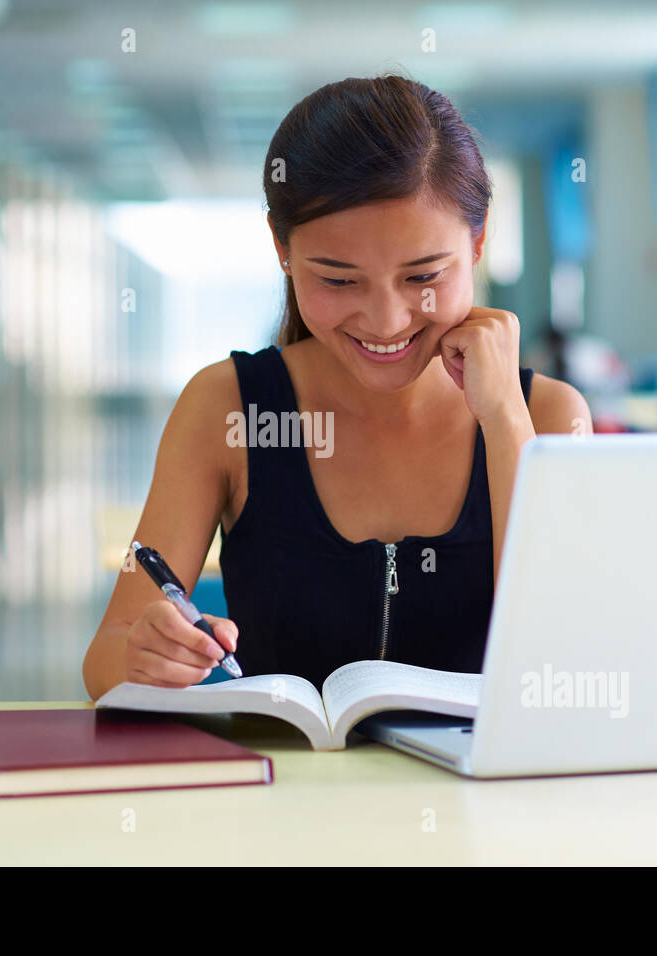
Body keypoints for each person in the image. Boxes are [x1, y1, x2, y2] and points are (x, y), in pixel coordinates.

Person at [83, 75, 591, 698]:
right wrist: (144, 656)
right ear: (283, 250)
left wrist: (506, 421)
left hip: (485, 794)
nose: (386, 321)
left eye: (423, 275)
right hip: (283, 792)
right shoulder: (225, 408)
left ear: (479, 242)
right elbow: (108, 652)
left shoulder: (549, 414)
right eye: (340, 280)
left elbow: (569, 664)